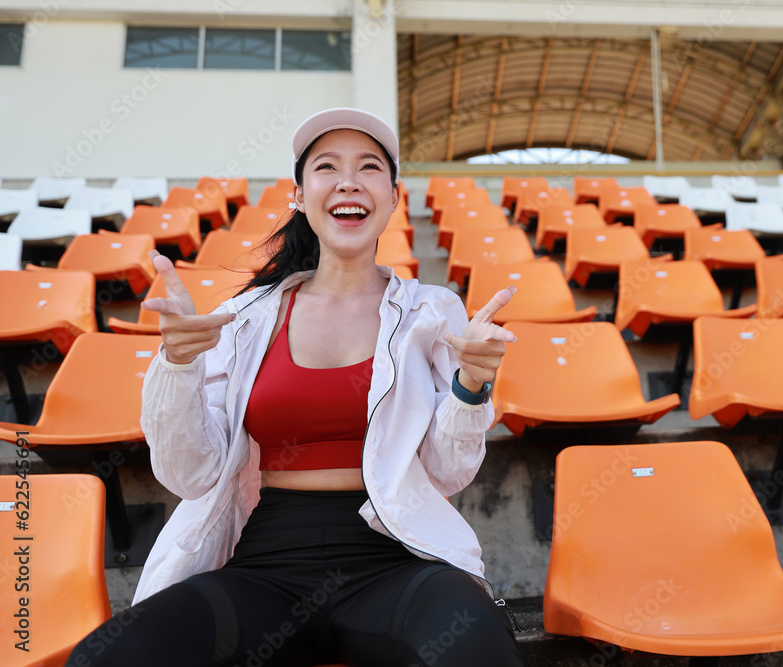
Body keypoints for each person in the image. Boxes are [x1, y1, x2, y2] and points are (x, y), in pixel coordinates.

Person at [68, 108, 524, 667]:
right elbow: (190, 474)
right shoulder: (246, 317)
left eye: (370, 167)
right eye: (327, 166)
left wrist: (471, 385)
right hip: (268, 565)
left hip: (397, 563)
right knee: (110, 657)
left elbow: (448, 471)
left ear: (394, 196)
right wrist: (178, 365)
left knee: (478, 652)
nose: (349, 180)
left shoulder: (432, 313)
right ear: (301, 196)